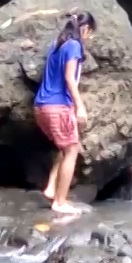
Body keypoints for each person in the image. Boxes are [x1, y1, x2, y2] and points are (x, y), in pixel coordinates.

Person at [35, 11, 95, 216]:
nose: (89, 38)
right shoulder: (74, 46)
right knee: (72, 150)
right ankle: (60, 202)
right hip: (58, 107)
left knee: (65, 146)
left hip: (41, 106)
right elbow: (70, 78)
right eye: (90, 33)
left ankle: (51, 188)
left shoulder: (57, 43)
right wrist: (80, 106)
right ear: (85, 29)